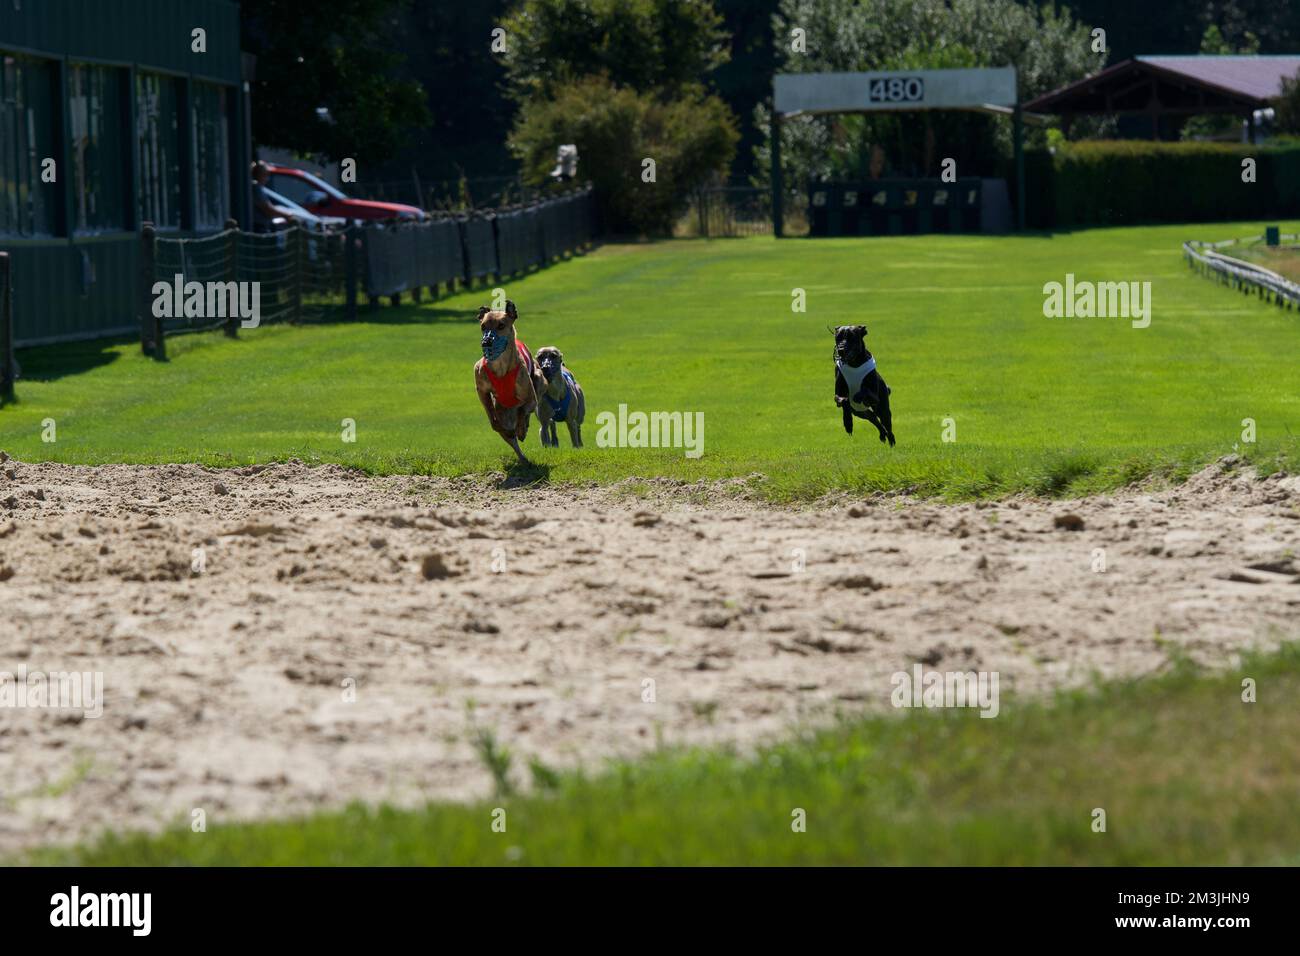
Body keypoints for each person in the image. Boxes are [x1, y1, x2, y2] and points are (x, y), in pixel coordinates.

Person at [251, 161, 298, 231]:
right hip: (258, 228)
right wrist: (287, 215)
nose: (267, 178)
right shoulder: (255, 187)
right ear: (258, 174)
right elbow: (268, 210)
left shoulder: (259, 188)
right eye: (265, 175)